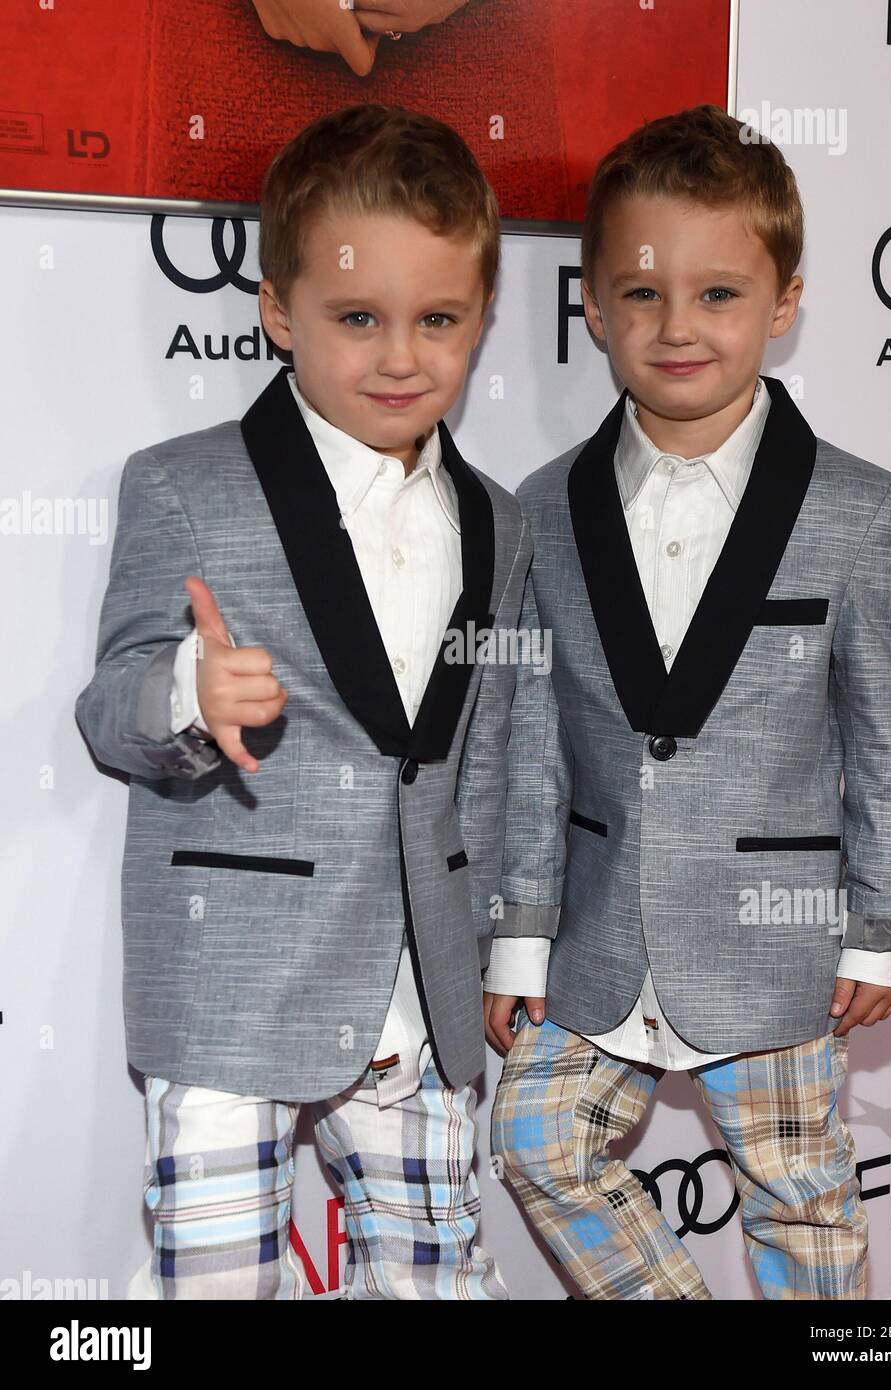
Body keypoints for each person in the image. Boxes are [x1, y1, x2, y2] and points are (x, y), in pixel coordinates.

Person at [75, 102, 528, 1300]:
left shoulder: (499, 519)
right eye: (357, 318)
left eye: (438, 320)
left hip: (420, 1001)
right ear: (278, 311)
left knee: (442, 1284)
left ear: (482, 318)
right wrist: (186, 687)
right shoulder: (182, 487)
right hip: (232, 987)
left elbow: (490, 754)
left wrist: (507, 939)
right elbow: (108, 703)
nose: (400, 356)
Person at [484, 104, 891, 1301]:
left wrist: (885, 925)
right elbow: (533, 743)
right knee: (535, 1140)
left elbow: (887, 738)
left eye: (720, 294)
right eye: (640, 293)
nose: (676, 326)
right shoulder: (542, 505)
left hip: (776, 939)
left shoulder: (855, 506)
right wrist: (520, 929)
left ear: (784, 302)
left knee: (804, 1199)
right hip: (596, 937)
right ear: (588, 304)